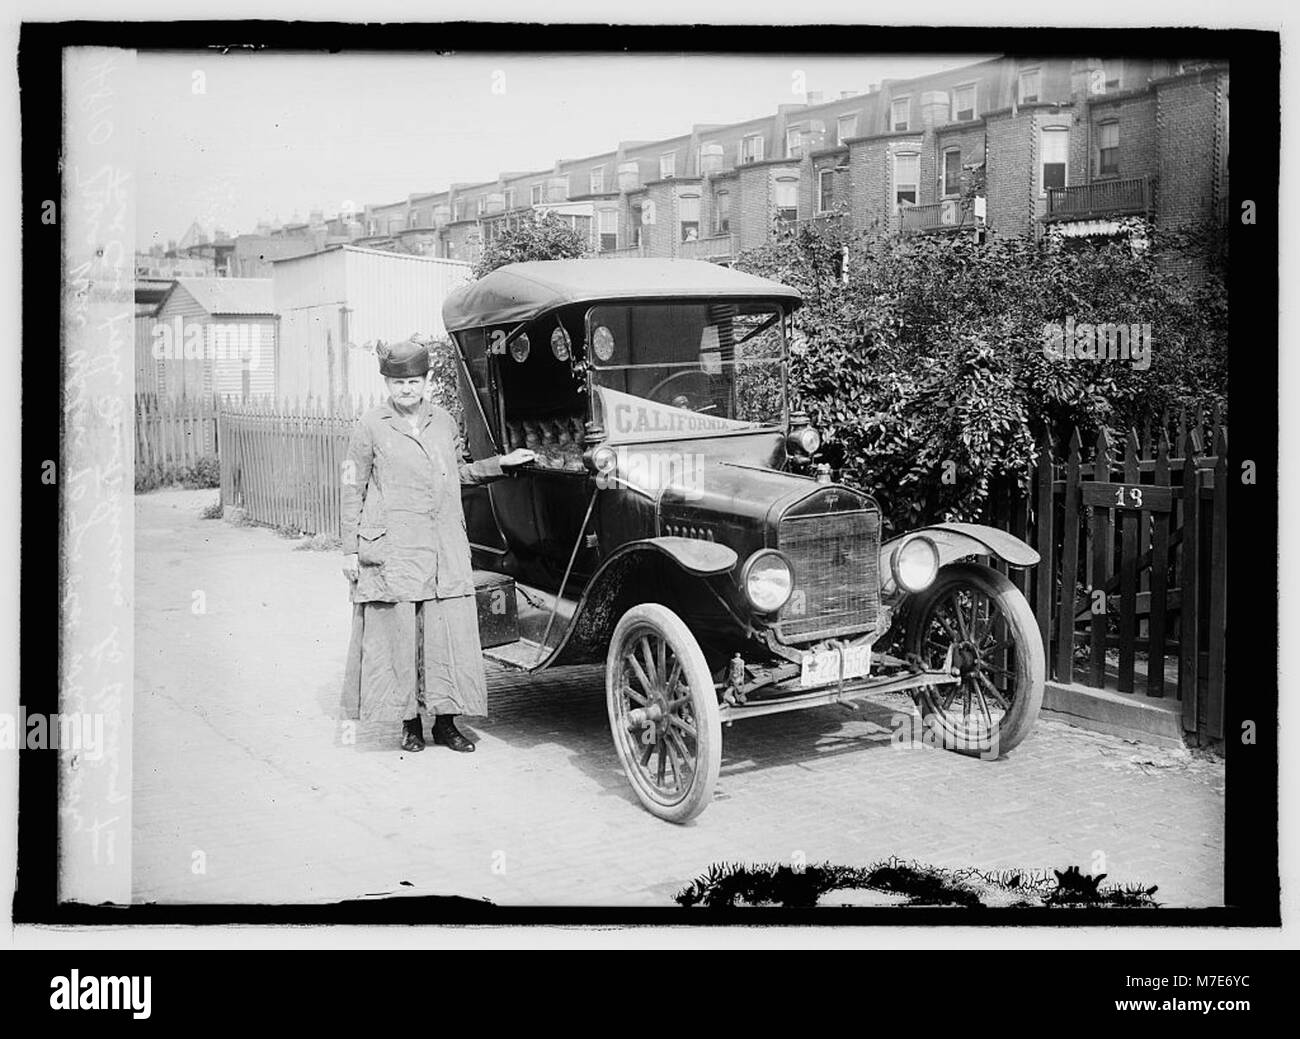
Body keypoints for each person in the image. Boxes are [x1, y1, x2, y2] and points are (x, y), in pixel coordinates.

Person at [339, 338, 535, 753]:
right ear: (387, 384)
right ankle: (409, 725)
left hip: (443, 545)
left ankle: (446, 724)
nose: (406, 389)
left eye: (413, 381)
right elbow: (351, 486)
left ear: (426, 380)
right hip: (396, 547)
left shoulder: (444, 421)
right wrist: (349, 549)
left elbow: (457, 472)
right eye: (397, 383)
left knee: (445, 634)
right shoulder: (371, 425)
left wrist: (500, 464)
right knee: (403, 634)